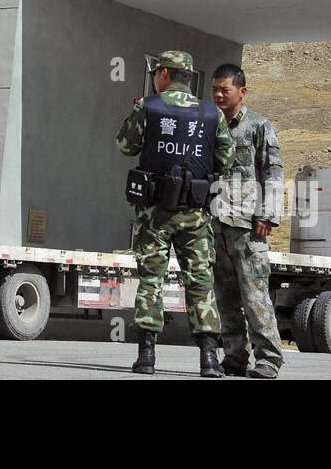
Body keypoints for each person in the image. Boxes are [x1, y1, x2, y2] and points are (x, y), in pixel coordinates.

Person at [116, 51, 252, 377]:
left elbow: (126, 146)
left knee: (151, 281)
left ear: (163, 74)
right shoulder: (211, 113)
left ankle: (146, 357)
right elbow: (227, 161)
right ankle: (208, 360)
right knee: (200, 283)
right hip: (195, 213)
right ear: (189, 78)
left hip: (154, 215)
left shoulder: (147, 107)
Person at [210, 63, 285, 379]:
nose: (217, 95)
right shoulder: (209, 126)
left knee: (255, 296)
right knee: (225, 298)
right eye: (214, 89)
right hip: (216, 224)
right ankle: (235, 357)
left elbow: (274, 172)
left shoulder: (258, 126)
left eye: (223, 89)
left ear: (241, 91)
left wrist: (267, 214)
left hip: (248, 226)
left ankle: (269, 359)